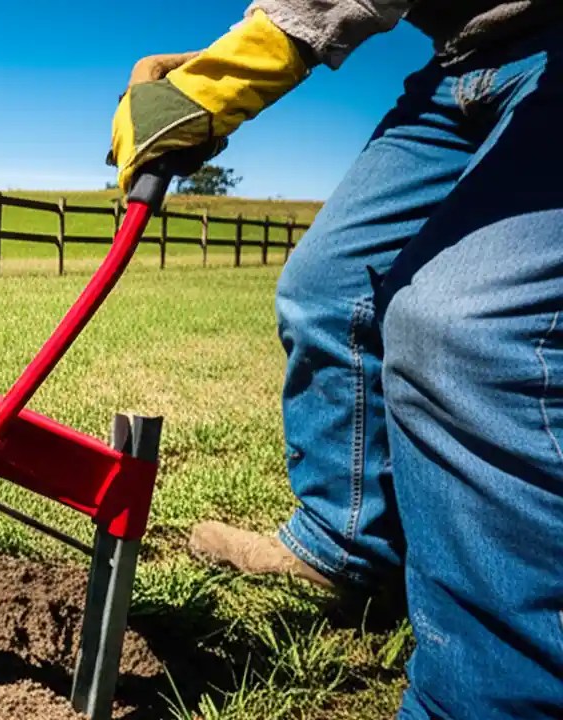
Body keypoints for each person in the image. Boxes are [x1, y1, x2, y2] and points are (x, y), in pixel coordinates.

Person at [108, 2, 563, 718]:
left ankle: (494, 694)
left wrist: (247, 61)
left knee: (465, 325)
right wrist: (219, 60)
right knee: (327, 289)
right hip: (461, 60)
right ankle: (343, 546)